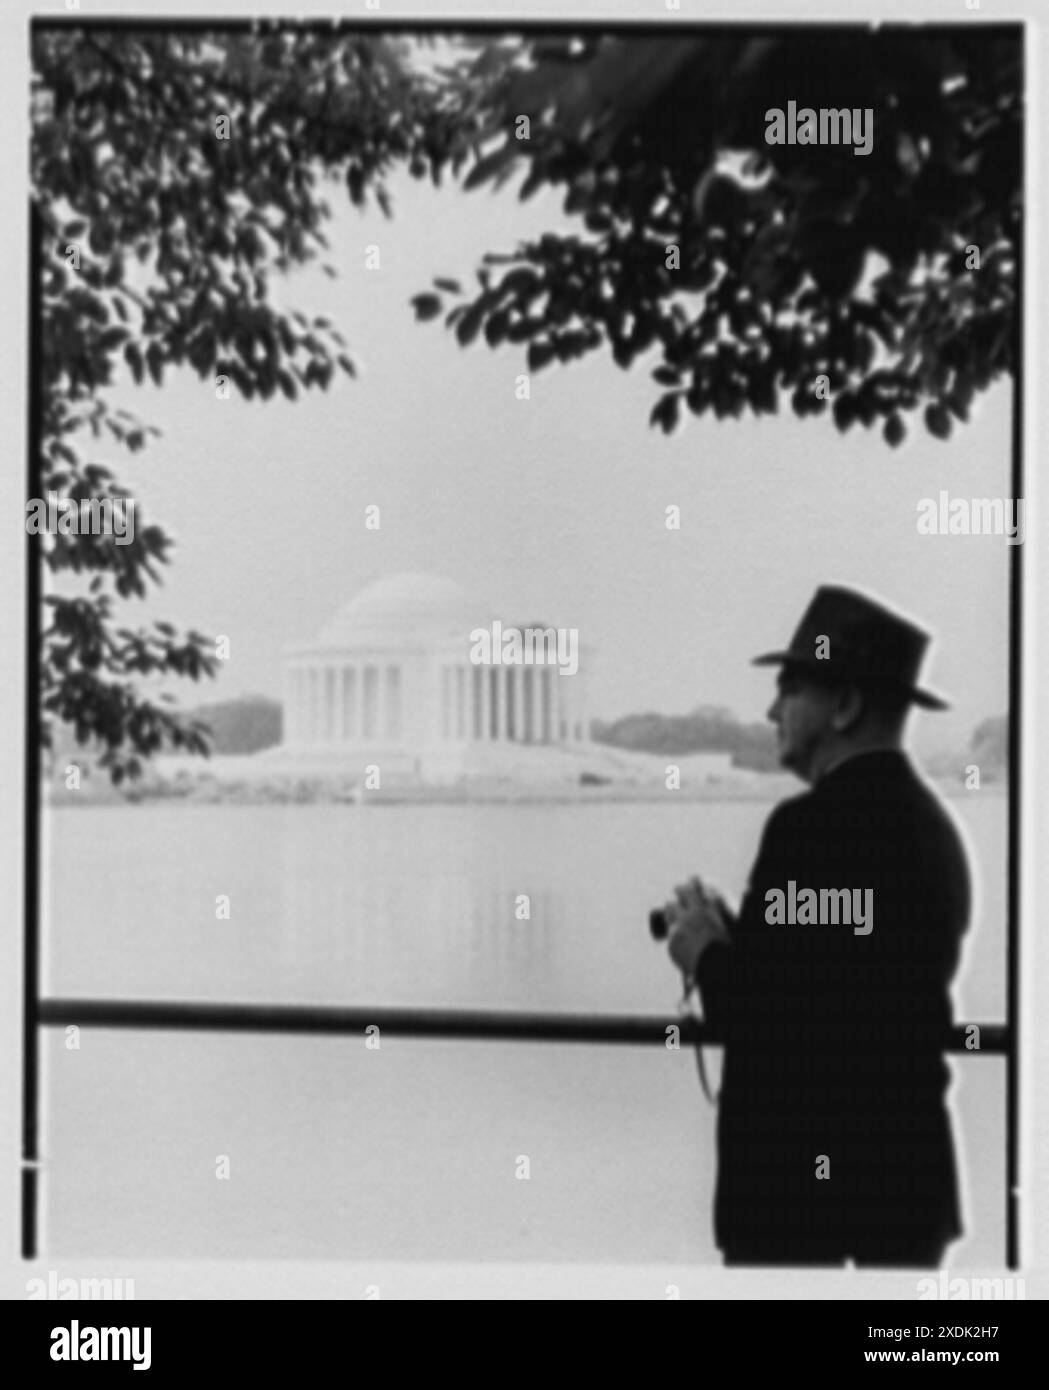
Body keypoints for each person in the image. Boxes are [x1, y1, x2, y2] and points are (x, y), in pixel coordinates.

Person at [663, 586, 970, 1267]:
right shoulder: (933, 830)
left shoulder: (808, 829)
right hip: (902, 1187)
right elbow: (843, 981)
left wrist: (704, 954)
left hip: (801, 1207)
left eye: (789, 688)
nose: (771, 710)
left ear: (845, 705)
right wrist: (740, 941)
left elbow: (775, 1016)